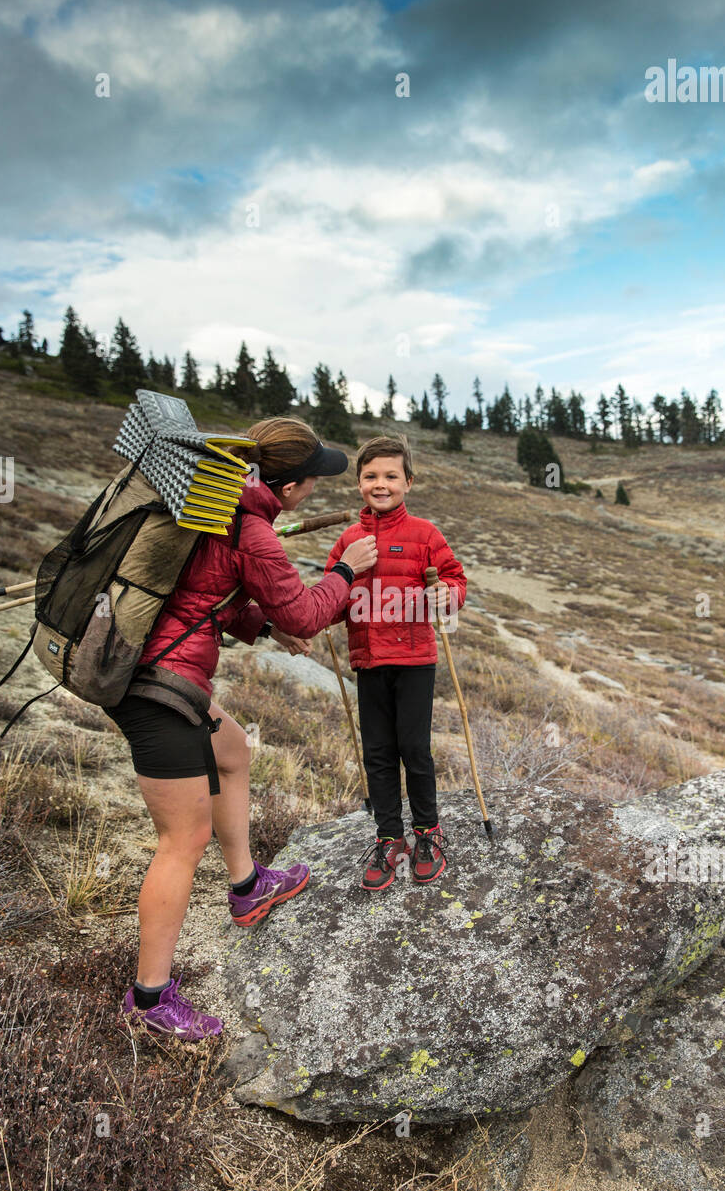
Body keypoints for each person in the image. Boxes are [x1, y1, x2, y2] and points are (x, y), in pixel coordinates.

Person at [109, 417, 377, 1039]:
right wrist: (347, 573)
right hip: (158, 689)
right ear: (286, 488)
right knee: (181, 841)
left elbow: (209, 593)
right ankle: (149, 1002)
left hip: (157, 673)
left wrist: (260, 625)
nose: (315, 490)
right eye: (312, 480)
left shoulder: (213, 503)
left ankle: (248, 886)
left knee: (230, 752)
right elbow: (309, 615)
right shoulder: (253, 529)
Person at [324, 434, 466, 891]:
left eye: (390, 476)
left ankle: (428, 832)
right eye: (370, 476)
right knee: (379, 754)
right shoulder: (349, 539)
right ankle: (390, 838)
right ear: (359, 483)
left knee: (415, 750)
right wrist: (328, 600)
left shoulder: (425, 534)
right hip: (368, 660)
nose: (379, 484)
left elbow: (455, 579)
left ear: (408, 481)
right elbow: (331, 592)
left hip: (415, 659)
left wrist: (448, 595)